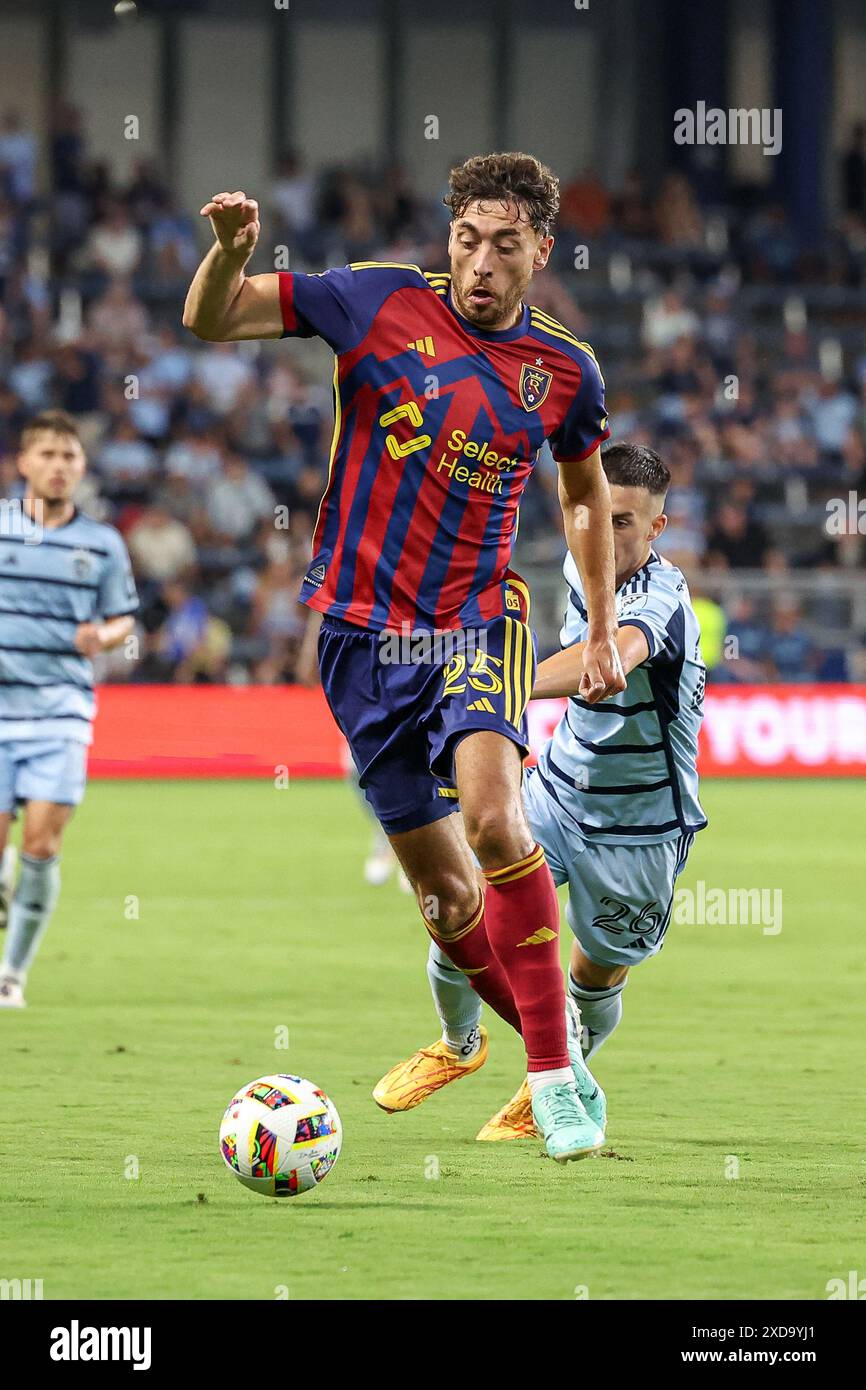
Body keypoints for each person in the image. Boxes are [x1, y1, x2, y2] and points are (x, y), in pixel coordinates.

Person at [183, 152, 625, 1162]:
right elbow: (213, 318)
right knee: (447, 901)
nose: (478, 261)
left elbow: (585, 495)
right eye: (465, 238)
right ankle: (539, 1059)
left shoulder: (564, 373)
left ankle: (553, 1082)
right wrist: (226, 254)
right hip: (358, 636)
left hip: (477, 616)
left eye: (503, 244)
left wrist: (598, 625)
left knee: (491, 814)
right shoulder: (373, 300)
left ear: (538, 253)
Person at [374, 443, 707, 1141]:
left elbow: (606, 663)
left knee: (594, 978)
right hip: (555, 791)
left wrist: (490, 686)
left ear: (657, 529)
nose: (602, 534)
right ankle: (459, 1045)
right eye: (590, 515)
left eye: (622, 522)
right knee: (458, 905)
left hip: (639, 829)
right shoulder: (578, 566)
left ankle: (553, 1077)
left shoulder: (664, 601)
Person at [0, 411, 138, 1008]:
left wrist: (105, 639)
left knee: (41, 845)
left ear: (81, 467)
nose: (59, 467)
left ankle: (13, 973)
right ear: (24, 463)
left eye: (70, 457)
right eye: (48, 455)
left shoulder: (101, 542)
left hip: (60, 712)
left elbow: (125, 618)